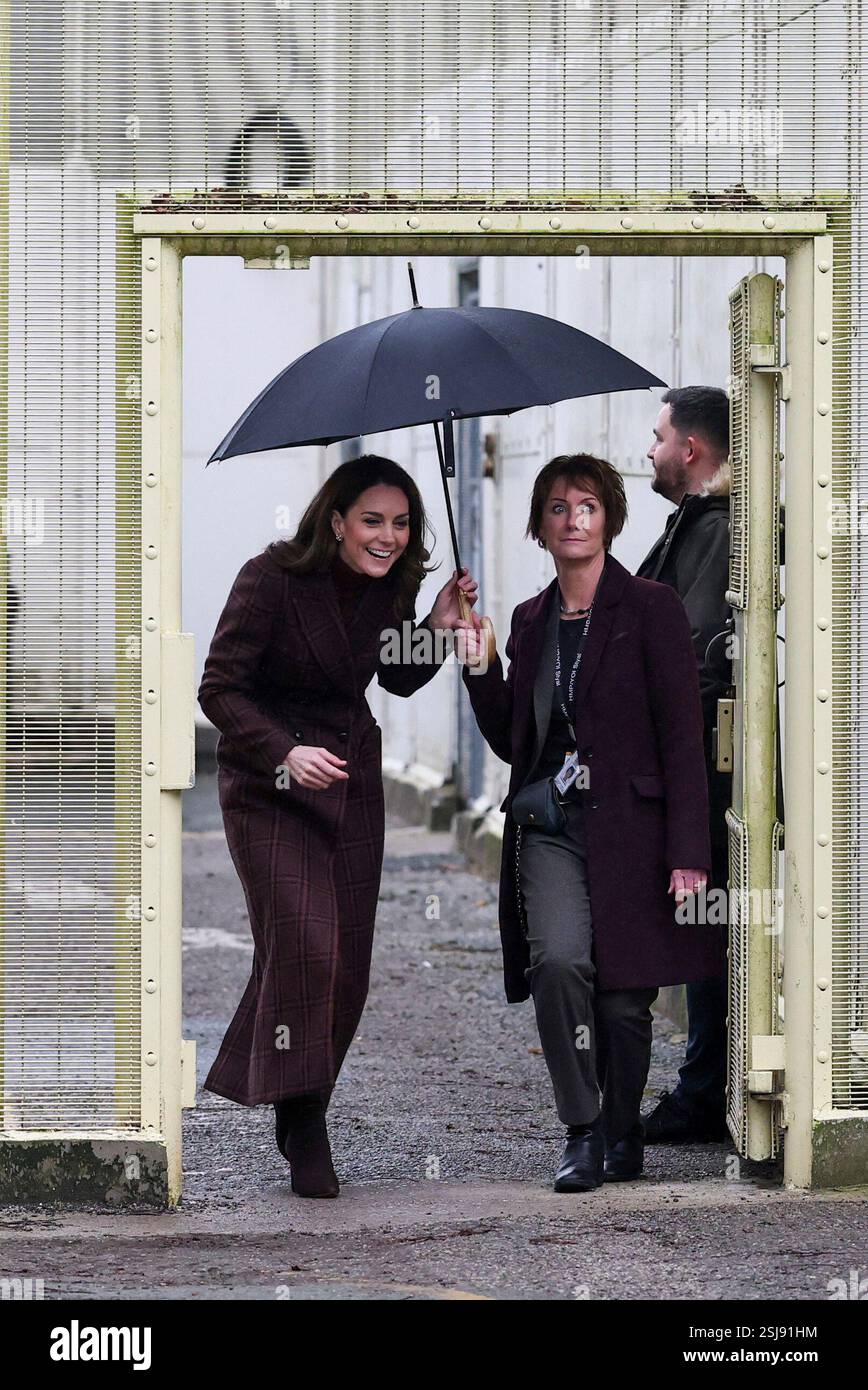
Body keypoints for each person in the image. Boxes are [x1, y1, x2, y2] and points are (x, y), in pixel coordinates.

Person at [198, 454, 477, 1197]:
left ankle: (306, 1102)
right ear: (335, 521)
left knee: (347, 959)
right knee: (305, 940)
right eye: (372, 521)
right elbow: (219, 687)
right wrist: (285, 750)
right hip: (269, 781)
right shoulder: (271, 577)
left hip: (349, 780)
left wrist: (439, 625)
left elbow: (396, 676)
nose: (388, 537)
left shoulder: (395, 587)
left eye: (401, 523)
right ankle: (302, 1113)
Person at [455, 453, 721, 1192]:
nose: (574, 520)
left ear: (608, 519)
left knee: (624, 1000)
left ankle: (621, 1127)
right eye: (558, 508)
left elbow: (681, 736)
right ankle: (581, 1130)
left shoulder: (652, 608)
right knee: (561, 963)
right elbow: (515, 740)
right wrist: (481, 667)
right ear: (540, 527)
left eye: (588, 507)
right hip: (550, 824)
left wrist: (688, 851)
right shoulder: (529, 620)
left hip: (634, 826)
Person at [639, 387, 732, 1144]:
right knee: (706, 922)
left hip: (708, 768)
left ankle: (705, 1091)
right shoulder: (695, 525)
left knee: (710, 922)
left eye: (658, 435)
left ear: (690, 450)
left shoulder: (719, 528)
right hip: (693, 763)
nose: (650, 448)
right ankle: (706, 1085)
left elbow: (694, 653)